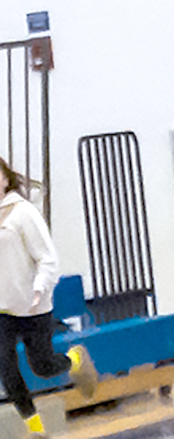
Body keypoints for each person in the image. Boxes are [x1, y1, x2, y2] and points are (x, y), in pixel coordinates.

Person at [0, 158, 99, 434]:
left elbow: (47, 258)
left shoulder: (23, 213)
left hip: (32, 305)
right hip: (2, 309)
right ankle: (35, 427)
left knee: (42, 366)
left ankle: (74, 359)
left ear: (6, 179)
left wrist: (40, 286)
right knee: (6, 368)